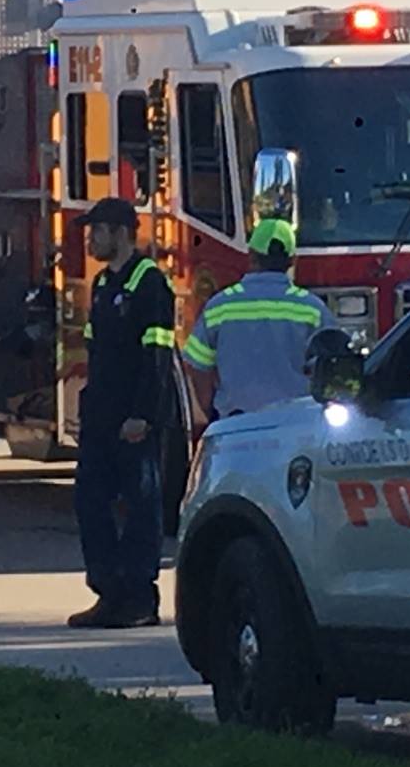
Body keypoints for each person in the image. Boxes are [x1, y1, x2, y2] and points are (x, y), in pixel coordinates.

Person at [69, 197, 175, 630]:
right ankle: (108, 592)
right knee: (90, 502)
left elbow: (157, 358)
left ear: (121, 233)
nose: (91, 238)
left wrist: (143, 415)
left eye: (98, 230)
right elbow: (97, 356)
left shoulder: (150, 284)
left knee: (140, 507)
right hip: (101, 420)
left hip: (135, 422)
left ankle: (138, 599)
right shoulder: (101, 285)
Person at [183, 218, 324, 422]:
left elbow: (198, 365)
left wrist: (210, 412)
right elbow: (333, 368)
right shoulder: (313, 309)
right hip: (296, 425)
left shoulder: (219, 306)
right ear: (292, 260)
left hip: (235, 424)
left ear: (251, 256)